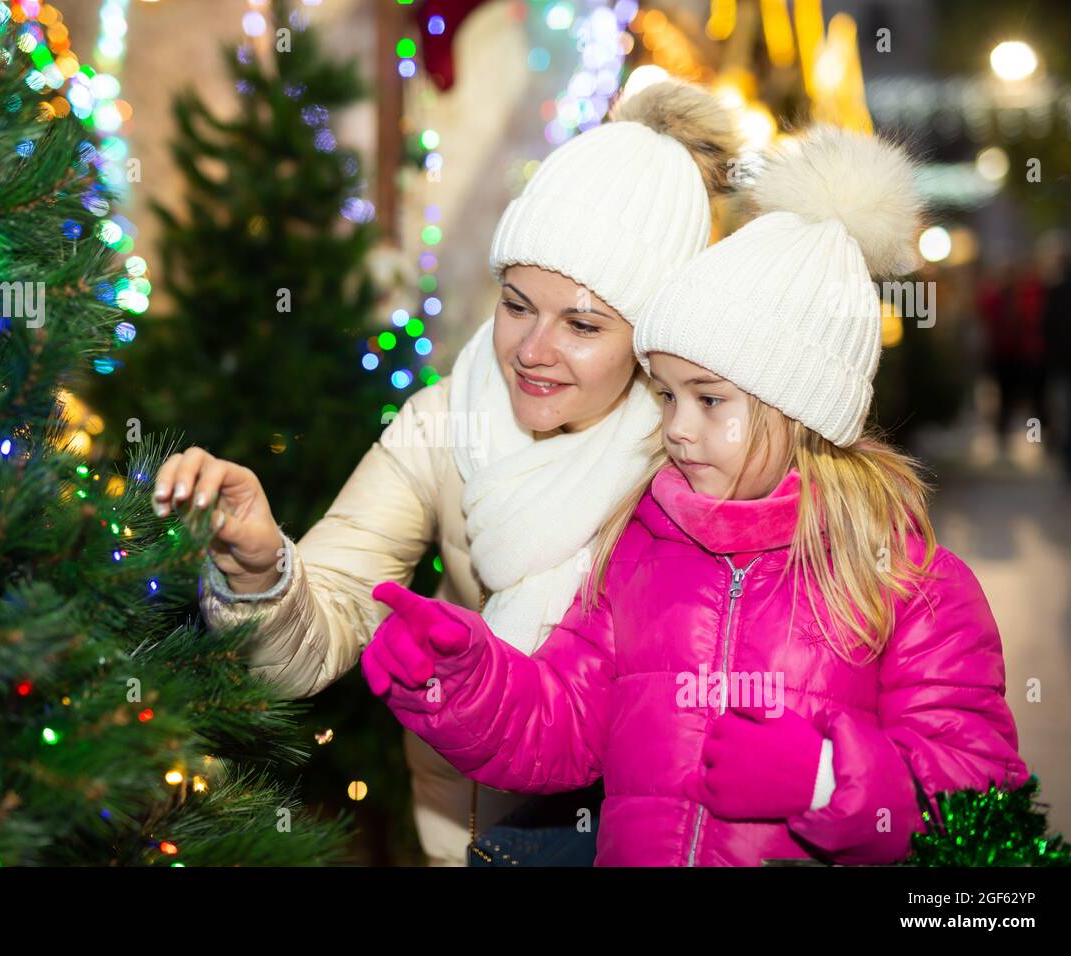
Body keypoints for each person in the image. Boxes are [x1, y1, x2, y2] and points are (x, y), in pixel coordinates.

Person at [362, 127, 1029, 866]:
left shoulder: (907, 586)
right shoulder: (638, 552)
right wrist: (465, 682)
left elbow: (983, 801)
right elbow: (563, 727)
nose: (675, 428)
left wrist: (826, 780)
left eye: (709, 401)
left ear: (798, 409)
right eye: (667, 395)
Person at [153, 79, 742, 865]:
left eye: (583, 324)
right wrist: (261, 571)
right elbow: (309, 646)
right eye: (517, 303)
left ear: (649, 340)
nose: (532, 351)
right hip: (456, 838)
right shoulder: (446, 422)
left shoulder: (693, 460)